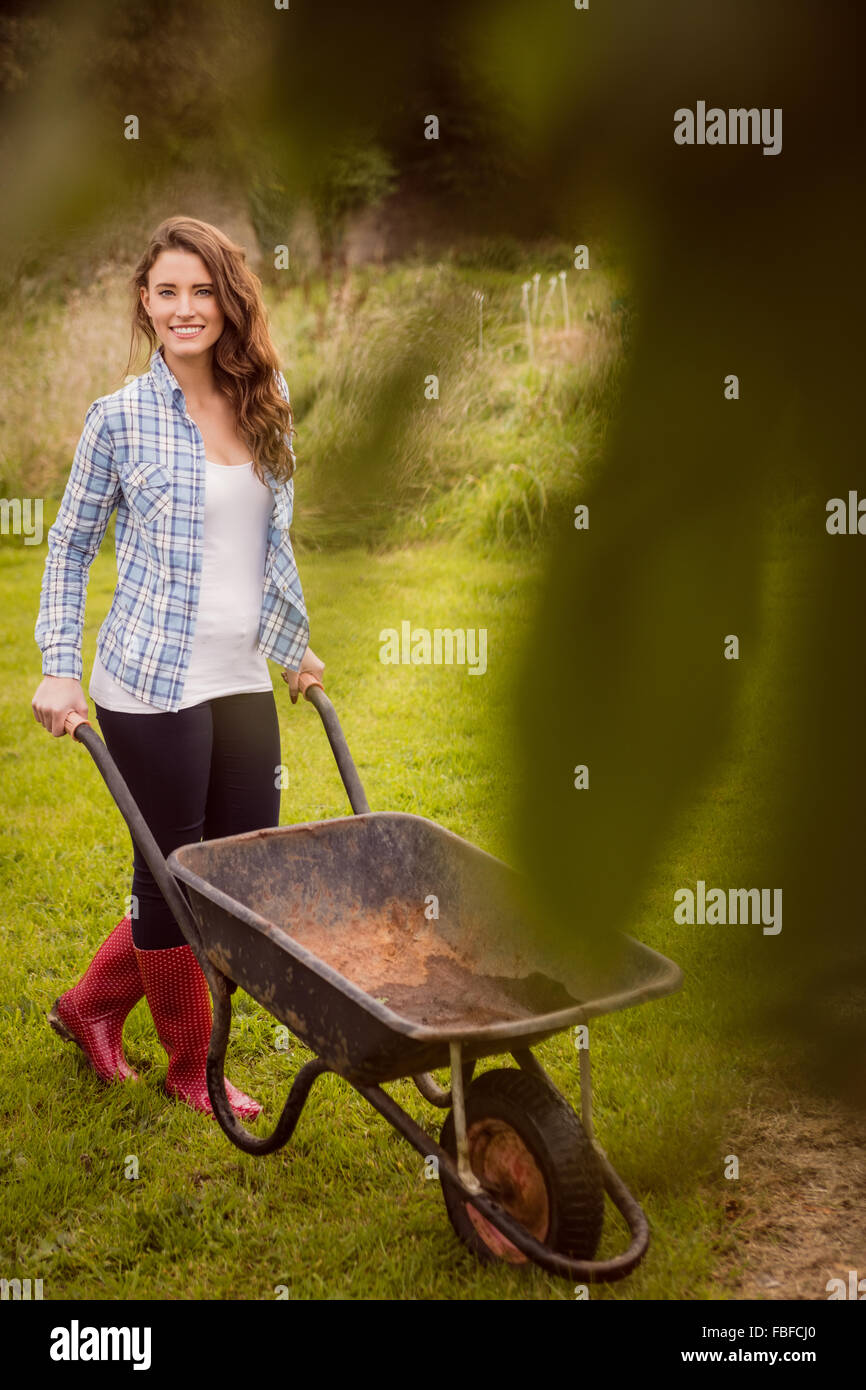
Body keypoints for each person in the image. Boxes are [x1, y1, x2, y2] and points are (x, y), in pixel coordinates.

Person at [31, 215, 324, 1120]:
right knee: (172, 878)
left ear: (229, 301)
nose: (185, 307)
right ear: (145, 302)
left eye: (202, 290)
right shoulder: (119, 418)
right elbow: (69, 546)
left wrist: (292, 644)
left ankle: (89, 1006)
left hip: (240, 675)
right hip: (149, 684)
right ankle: (193, 1066)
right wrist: (58, 666)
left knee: (236, 875)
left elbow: (268, 541)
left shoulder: (266, 397)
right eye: (167, 291)